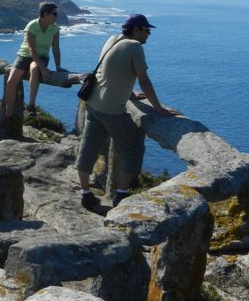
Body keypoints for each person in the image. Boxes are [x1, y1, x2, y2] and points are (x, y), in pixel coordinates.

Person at [75, 14, 180, 211]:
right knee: (134, 149)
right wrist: (158, 108)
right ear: (137, 29)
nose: (149, 34)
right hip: (111, 111)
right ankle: (121, 195)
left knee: (88, 149)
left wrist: (130, 93)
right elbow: (144, 80)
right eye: (147, 30)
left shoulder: (112, 39)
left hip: (93, 104)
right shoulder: (135, 46)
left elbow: (111, 71)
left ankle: (85, 194)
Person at [3, 1, 63, 117]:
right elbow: (31, 49)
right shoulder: (32, 26)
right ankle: (8, 113)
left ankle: (31, 105)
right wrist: (43, 68)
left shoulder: (55, 29)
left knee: (35, 69)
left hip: (42, 56)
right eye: (55, 14)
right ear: (45, 14)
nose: (57, 16)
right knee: (11, 82)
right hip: (24, 55)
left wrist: (58, 66)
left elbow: (56, 47)